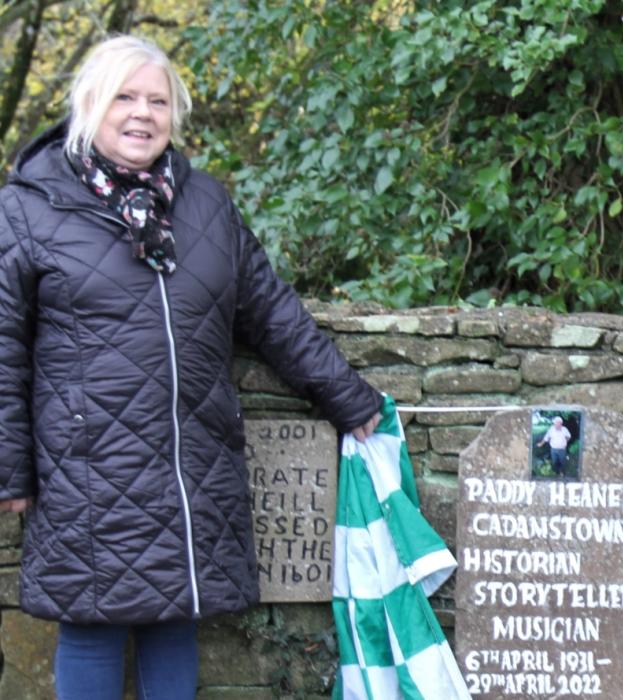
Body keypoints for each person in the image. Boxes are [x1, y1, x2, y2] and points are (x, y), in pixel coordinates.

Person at [0, 35, 382, 699]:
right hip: (89, 467)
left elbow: (272, 314)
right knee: (89, 625)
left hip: (191, 463)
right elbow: (3, 345)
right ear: (89, 103)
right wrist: (9, 468)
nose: (142, 113)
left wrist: (348, 397)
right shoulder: (29, 207)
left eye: (158, 100)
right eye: (125, 96)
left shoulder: (205, 205)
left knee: (176, 619)